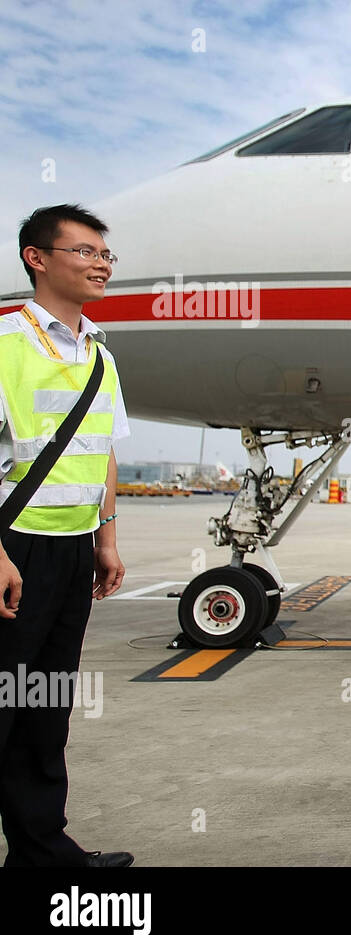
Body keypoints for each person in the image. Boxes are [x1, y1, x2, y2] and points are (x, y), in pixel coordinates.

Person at [0, 204, 131, 867]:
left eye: (105, 255)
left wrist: (105, 541)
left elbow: (101, 452)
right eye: (83, 252)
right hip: (10, 546)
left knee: (44, 710)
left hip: (70, 550)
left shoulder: (99, 355)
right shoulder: (5, 343)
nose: (100, 264)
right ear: (37, 258)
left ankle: (40, 854)